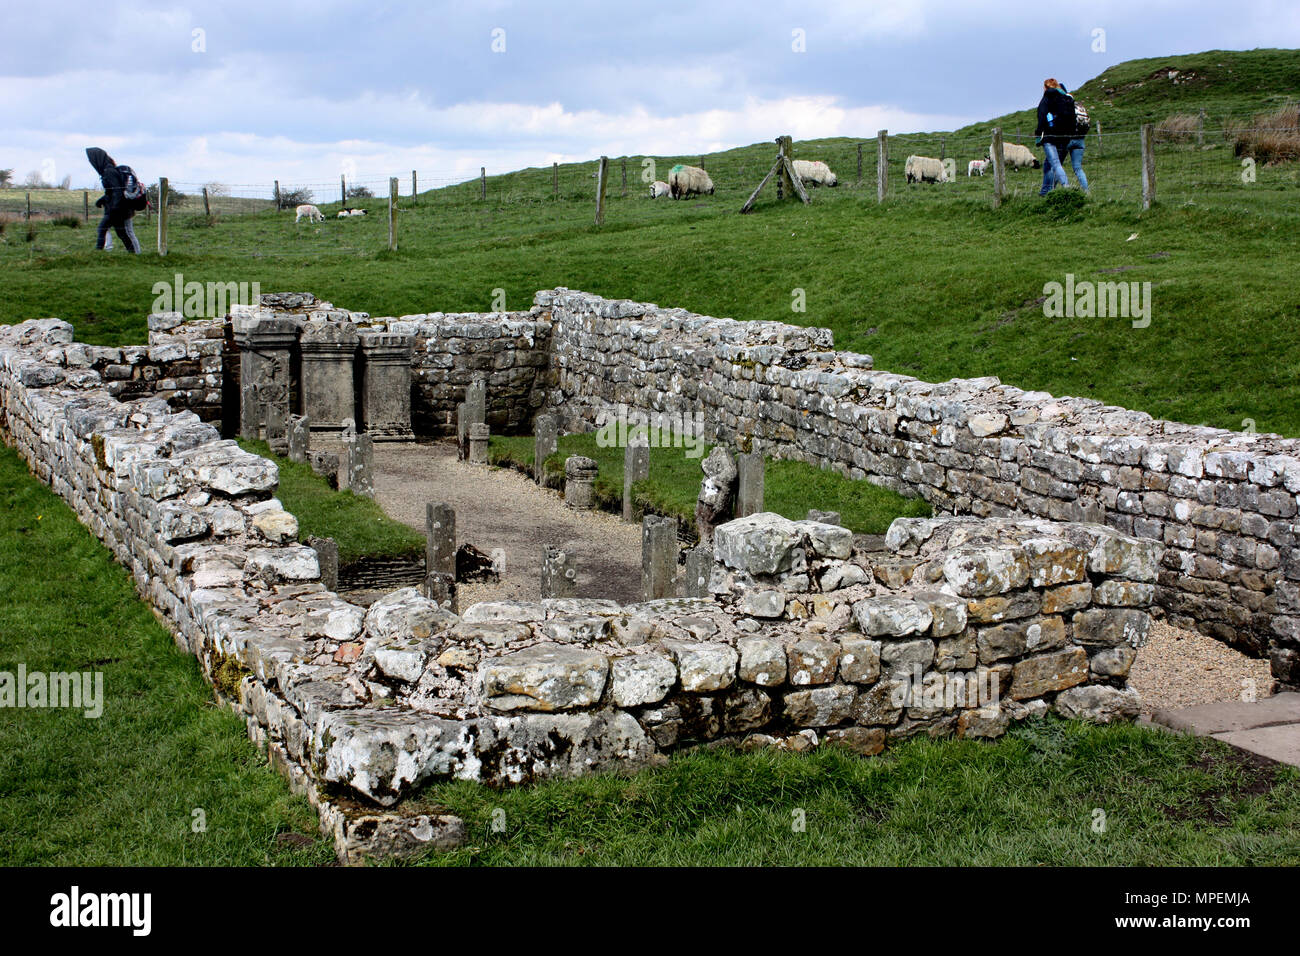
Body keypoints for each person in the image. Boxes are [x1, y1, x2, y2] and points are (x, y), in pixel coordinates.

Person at [85, 147, 141, 253]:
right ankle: (133, 253)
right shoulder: (108, 170)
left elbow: (117, 191)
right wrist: (102, 200)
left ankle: (98, 253)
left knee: (102, 229)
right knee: (121, 233)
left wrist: (114, 207)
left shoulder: (109, 171)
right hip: (118, 207)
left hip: (116, 208)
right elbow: (111, 191)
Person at [1034, 78, 1073, 196]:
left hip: (1049, 136)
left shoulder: (1046, 99)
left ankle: (1067, 187)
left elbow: (1042, 116)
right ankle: (1045, 192)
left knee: (1055, 164)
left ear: (1046, 87)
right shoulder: (1066, 98)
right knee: (1048, 165)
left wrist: (1038, 134)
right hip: (1064, 136)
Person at [1058, 82, 1090, 193]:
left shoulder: (1064, 105)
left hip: (1067, 139)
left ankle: (1053, 191)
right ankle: (1086, 192)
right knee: (1078, 168)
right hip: (1080, 139)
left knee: (1057, 165)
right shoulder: (1078, 105)